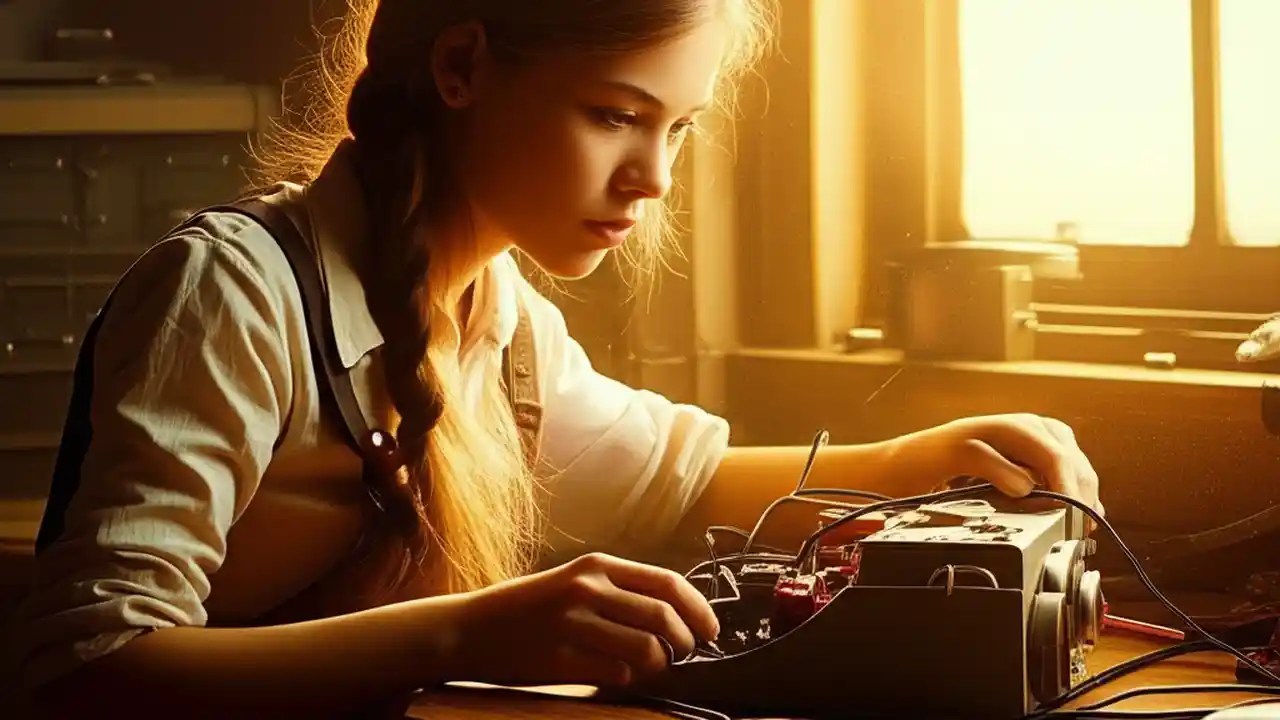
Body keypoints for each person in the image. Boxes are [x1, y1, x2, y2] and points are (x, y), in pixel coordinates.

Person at [8, 0, 1104, 717]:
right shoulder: (232, 295)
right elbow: (85, 670)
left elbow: (675, 478)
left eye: (678, 129)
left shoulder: (500, 315)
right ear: (459, 65)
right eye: (616, 116)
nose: (655, 178)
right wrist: (473, 628)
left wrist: (926, 456)